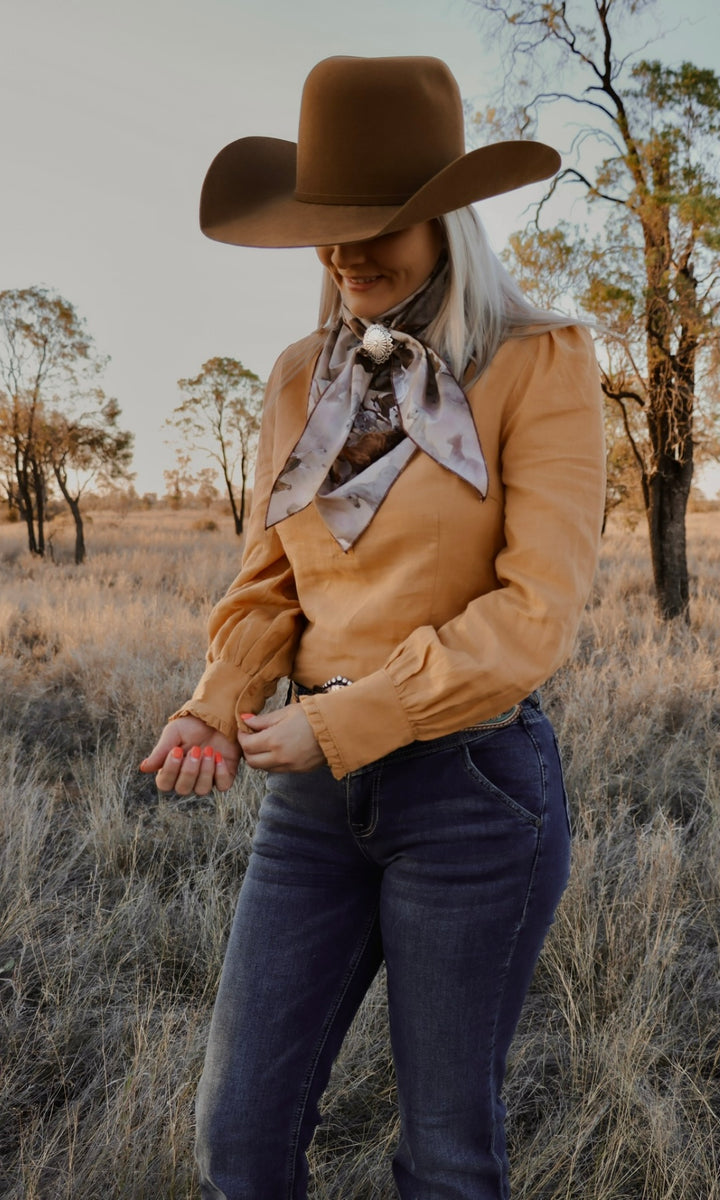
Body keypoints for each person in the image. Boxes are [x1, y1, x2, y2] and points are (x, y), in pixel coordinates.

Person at [141, 54, 605, 1200]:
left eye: (377, 225)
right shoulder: (297, 376)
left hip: (471, 791)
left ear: (448, 219)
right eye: (327, 230)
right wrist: (217, 703)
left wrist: (349, 719)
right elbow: (269, 582)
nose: (345, 255)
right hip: (310, 800)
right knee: (238, 1138)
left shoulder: (538, 362)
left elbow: (534, 613)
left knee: (443, 1154)